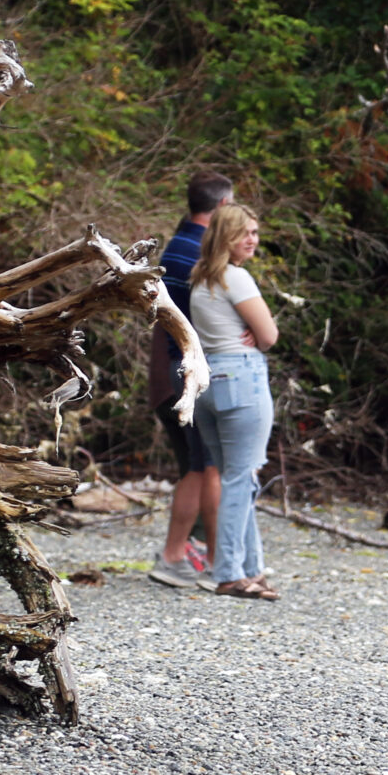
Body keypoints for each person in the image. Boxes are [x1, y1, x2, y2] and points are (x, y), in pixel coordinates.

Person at [188, 203, 280, 600]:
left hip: (208, 382)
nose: (253, 240)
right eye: (245, 233)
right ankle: (228, 573)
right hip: (242, 377)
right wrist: (255, 336)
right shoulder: (236, 278)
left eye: (256, 233)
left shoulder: (200, 281)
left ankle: (251, 569)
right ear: (225, 236)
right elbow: (270, 335)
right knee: (240, 480)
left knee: (236, 479)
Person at [147, 171, 234, 588]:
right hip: (186, 373)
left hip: (172, 371)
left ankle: (185, 553)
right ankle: (198, 558)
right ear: (220, 207)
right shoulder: (197, 254)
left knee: (197, 467)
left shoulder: (179, 246)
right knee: (206, 467)